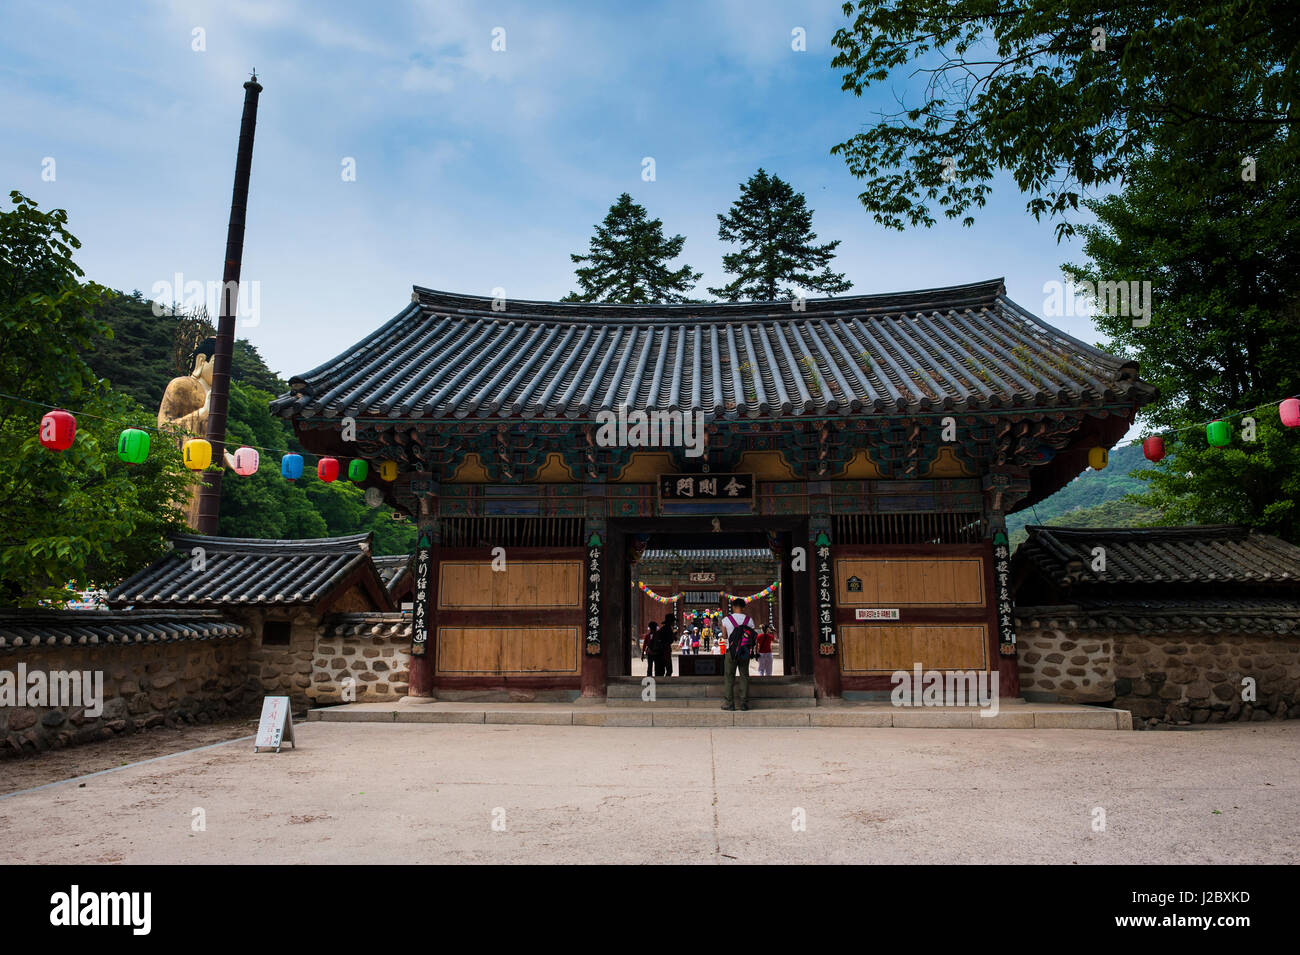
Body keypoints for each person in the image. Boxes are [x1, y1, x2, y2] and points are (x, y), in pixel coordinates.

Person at [720, 598, 757, 711]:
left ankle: (729, 703)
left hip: (731, 651)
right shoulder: (749, 620)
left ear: (733, 607)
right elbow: (751, 636)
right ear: (743, 607)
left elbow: (725, 636)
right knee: (744, 675)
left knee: (729, 676)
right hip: (744, 651)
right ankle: (744, 703)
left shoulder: (726, 620)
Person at [656, 613, 676, 678]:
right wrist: (673, 636)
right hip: (665, 649)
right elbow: (670, 640)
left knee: (662, 669)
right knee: (669, 669)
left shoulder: (663, 629)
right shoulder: (667, 629)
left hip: (661, 649)